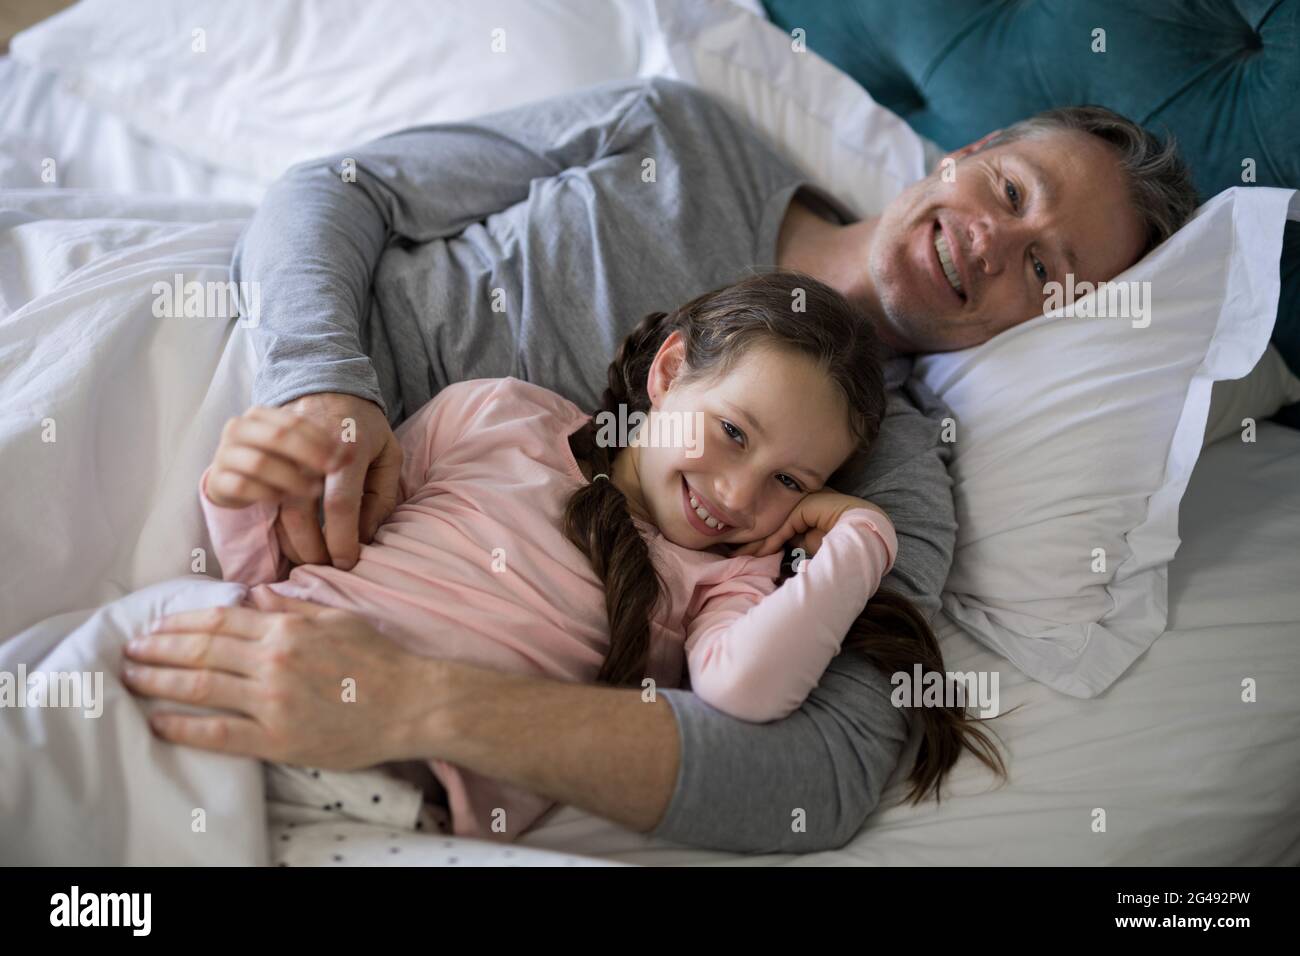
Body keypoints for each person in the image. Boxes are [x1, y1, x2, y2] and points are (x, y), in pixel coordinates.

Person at [123, 77, 1197, 852]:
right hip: (239, 384)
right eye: (1010, 190)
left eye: (1045, 271)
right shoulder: (679, 132)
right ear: (973, 146)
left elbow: (815, 778)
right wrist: (317, 384)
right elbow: (341, 187)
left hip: (372, 723)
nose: (991, 243)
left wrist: (417, 702)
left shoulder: (888, 475)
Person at [186, 271, 1003, 842]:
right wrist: (242, 488)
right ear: (672, 370)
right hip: (252, 648)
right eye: (731, 432)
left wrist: (864, 538)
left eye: (790, 479)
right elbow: (303, 556)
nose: (740, 494)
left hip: (385, 778)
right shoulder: (495, 414)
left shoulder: (731, 577)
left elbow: (744, 690)